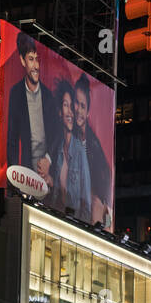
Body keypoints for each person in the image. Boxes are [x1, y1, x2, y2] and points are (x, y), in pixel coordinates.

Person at [5, 32, 56, 179]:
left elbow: (57, 134)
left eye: (37, 60)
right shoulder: (16, 93)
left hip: (48, 177)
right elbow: (12, 141)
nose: (36, 66)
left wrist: (48, 159)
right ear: (22, 60)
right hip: (28, 177)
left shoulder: (48, 96)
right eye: (31, 59)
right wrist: (13, 179)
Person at [72, 78, 112, 227]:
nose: (78, 110)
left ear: (88, 112)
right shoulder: (69, 132)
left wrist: (103, 204)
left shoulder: (93, 143)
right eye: (76, 103)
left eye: (83, 106)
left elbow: (107, 174)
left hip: (91, 208)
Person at [49, 80, 91, 215]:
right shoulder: (57, 151)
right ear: (60, 112)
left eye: (71, 107)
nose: (70, 112)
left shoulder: (79, 151)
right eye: (65, 105)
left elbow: (86, 204)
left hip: (74, 225)